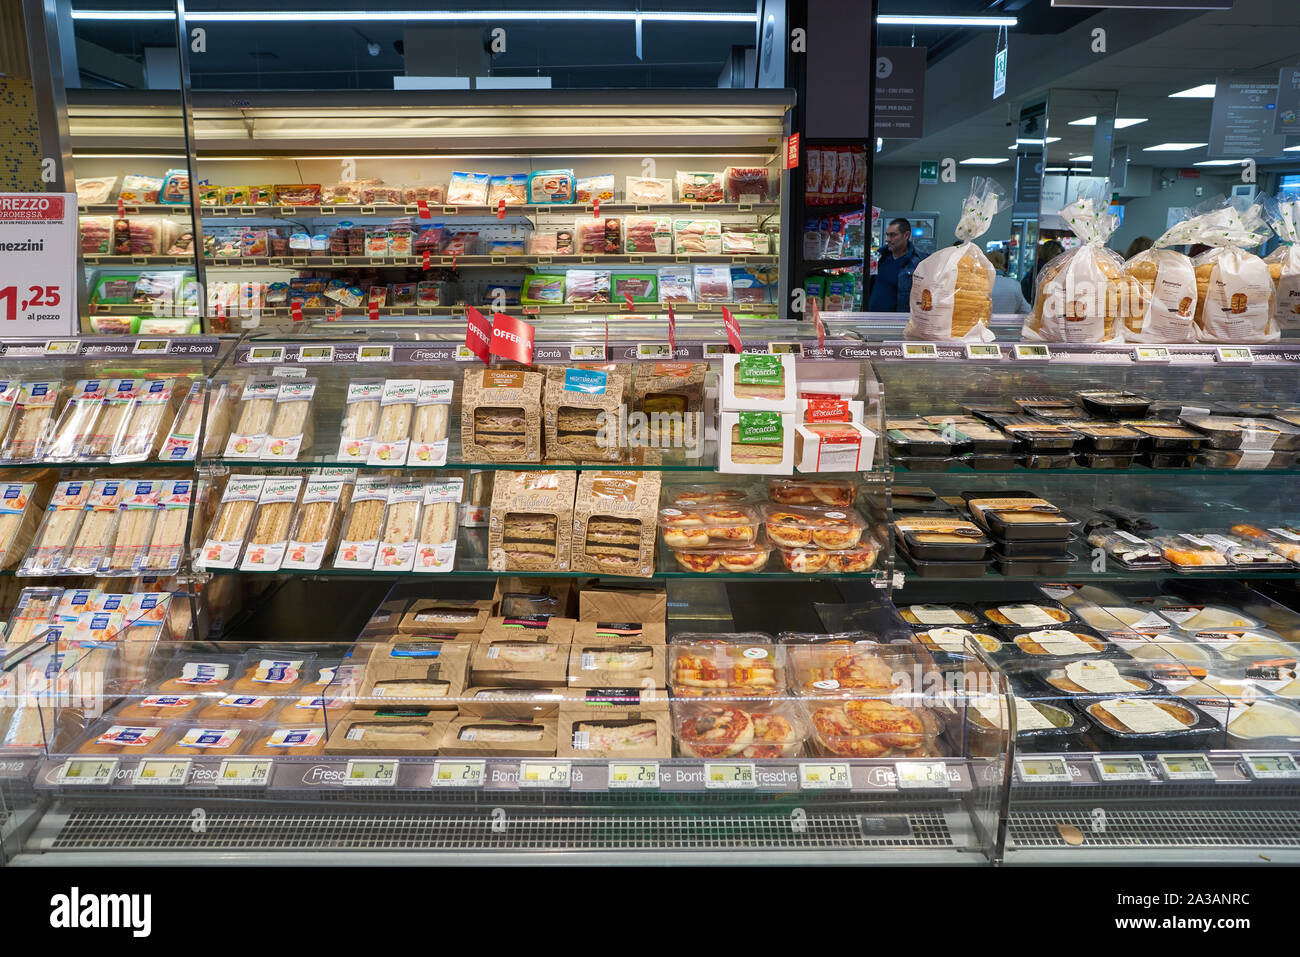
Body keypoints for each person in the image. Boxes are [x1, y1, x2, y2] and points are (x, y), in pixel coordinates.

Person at [868, 217, 923, 312]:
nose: (888, 239)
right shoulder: (881, 258)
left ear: (906, 235)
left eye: (893, 235)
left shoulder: (917, 263)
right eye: (887, 235)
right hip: (872, 319)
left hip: (898, 322)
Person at [986, 249, 1030, 315]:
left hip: (980, 324)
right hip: (1008, 325)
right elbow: (1027, 311)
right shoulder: (1014, 285)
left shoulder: (978, 284)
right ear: (1002, 263)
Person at [1020, 239, 1065, 305]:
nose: (1060, 257)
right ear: (1048, 253)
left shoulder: (1041, 268)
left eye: (1061, 254)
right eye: (1057, 254)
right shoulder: (1043, 270)